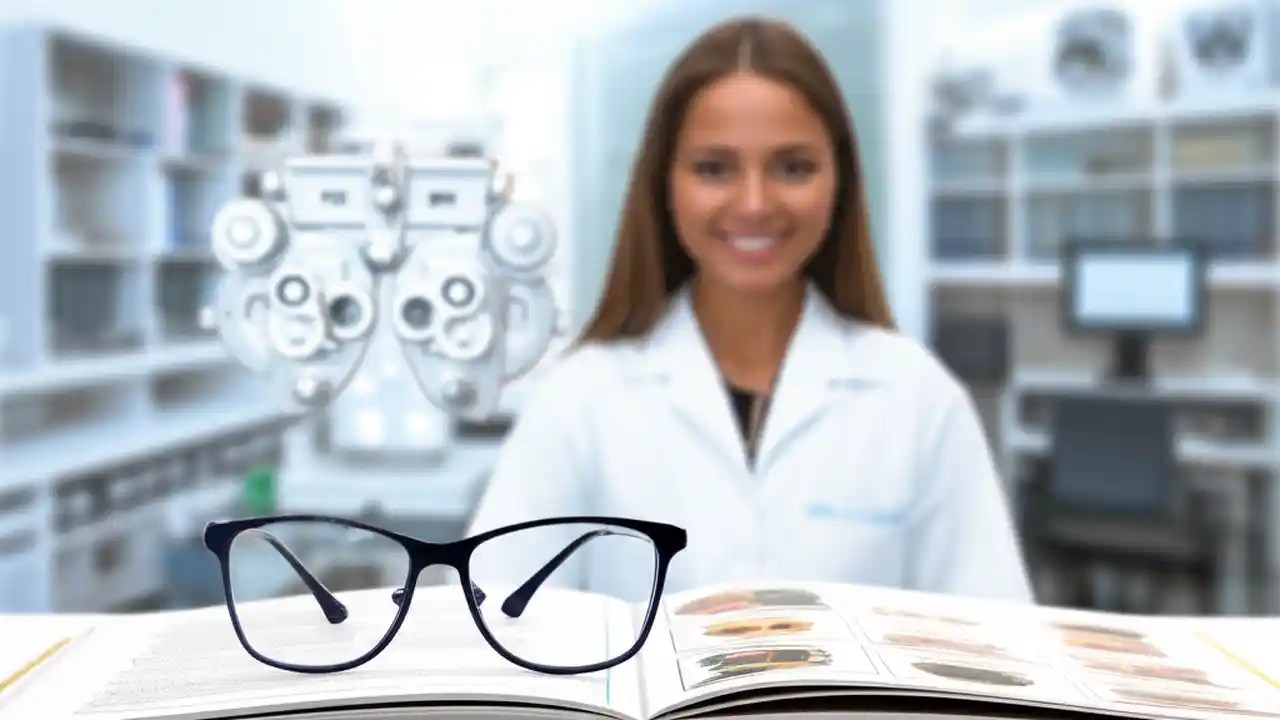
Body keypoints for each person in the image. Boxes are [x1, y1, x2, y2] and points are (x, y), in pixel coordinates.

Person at [465, 15, 1033, 604]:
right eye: (714, 168)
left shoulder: (917, 400)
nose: (755, 203)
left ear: (838, 180)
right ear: (665, 185)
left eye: (793, 168)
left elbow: (992, 642)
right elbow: (494, 627)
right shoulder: (580, 399)